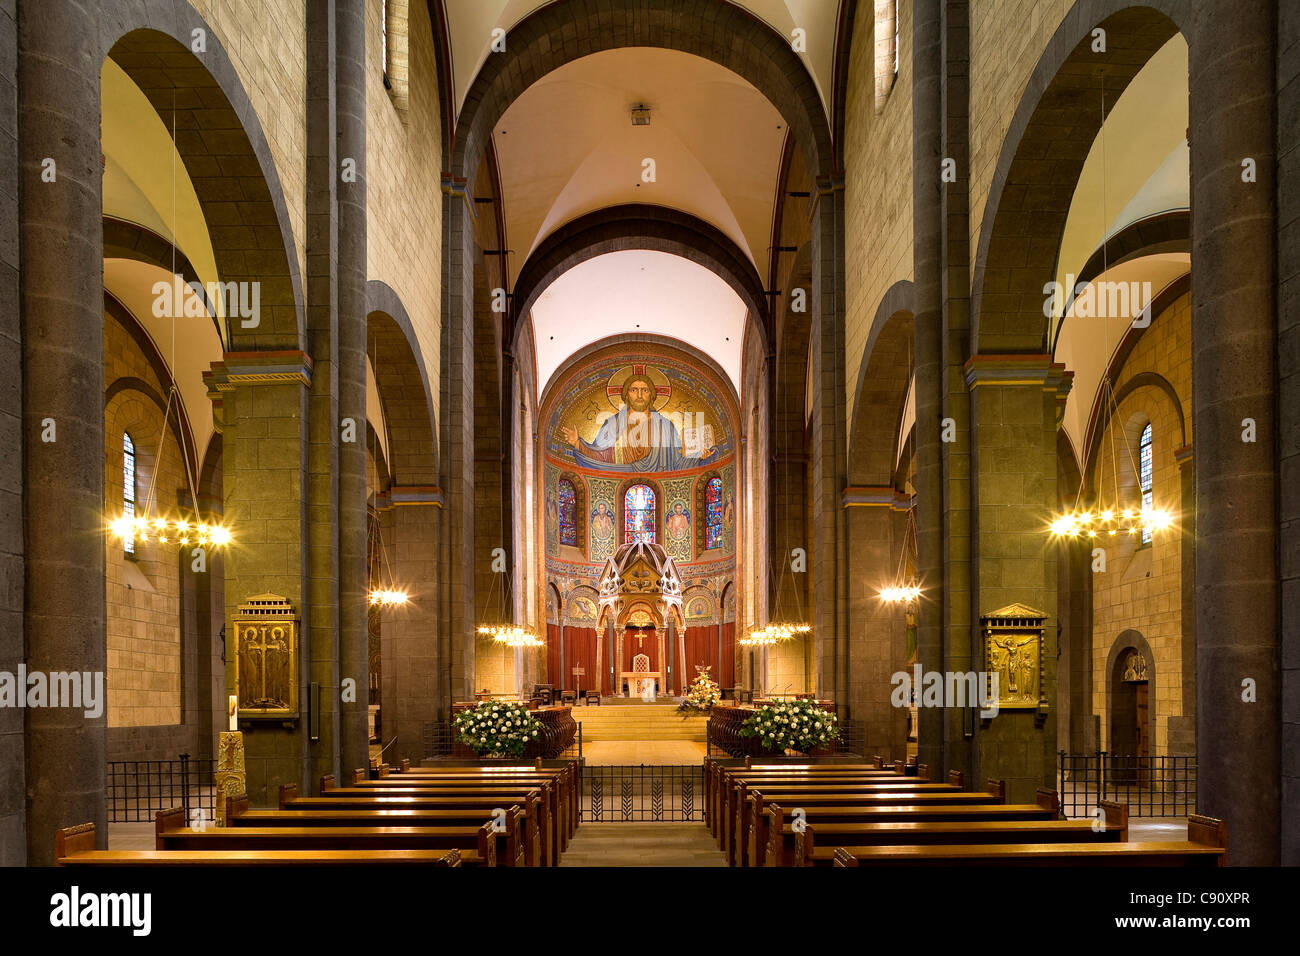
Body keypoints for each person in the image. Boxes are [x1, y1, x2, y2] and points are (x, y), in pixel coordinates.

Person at [559, 372, 717, 472]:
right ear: (626, 395)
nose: (639, 395)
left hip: (662, 488)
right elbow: (600, 456)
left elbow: (677, 461)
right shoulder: (613, 424)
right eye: (634, 390)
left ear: (652, 395)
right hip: (619, 483)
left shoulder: (666, 426)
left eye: (645, 390)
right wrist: (578, 444)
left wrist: (699, 456)